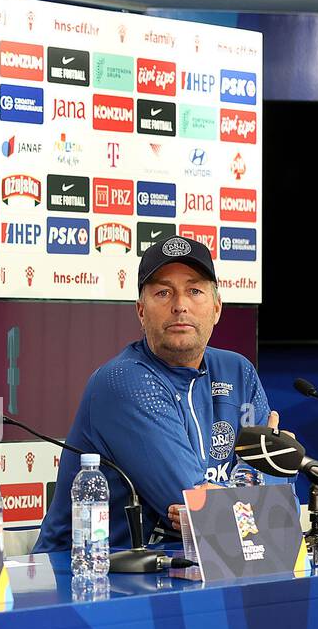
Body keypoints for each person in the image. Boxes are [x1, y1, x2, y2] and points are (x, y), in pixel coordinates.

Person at [35, 236, 288, 553]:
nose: (180, 304)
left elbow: (277, 504)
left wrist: (231, 500)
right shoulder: (123, 381)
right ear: (141, 311)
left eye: (194, 291)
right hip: (92, 577)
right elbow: (195, 504)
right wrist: (254, 480)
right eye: (163, 292)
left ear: (217, 308)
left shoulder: (238, 371)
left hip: (198, 569)